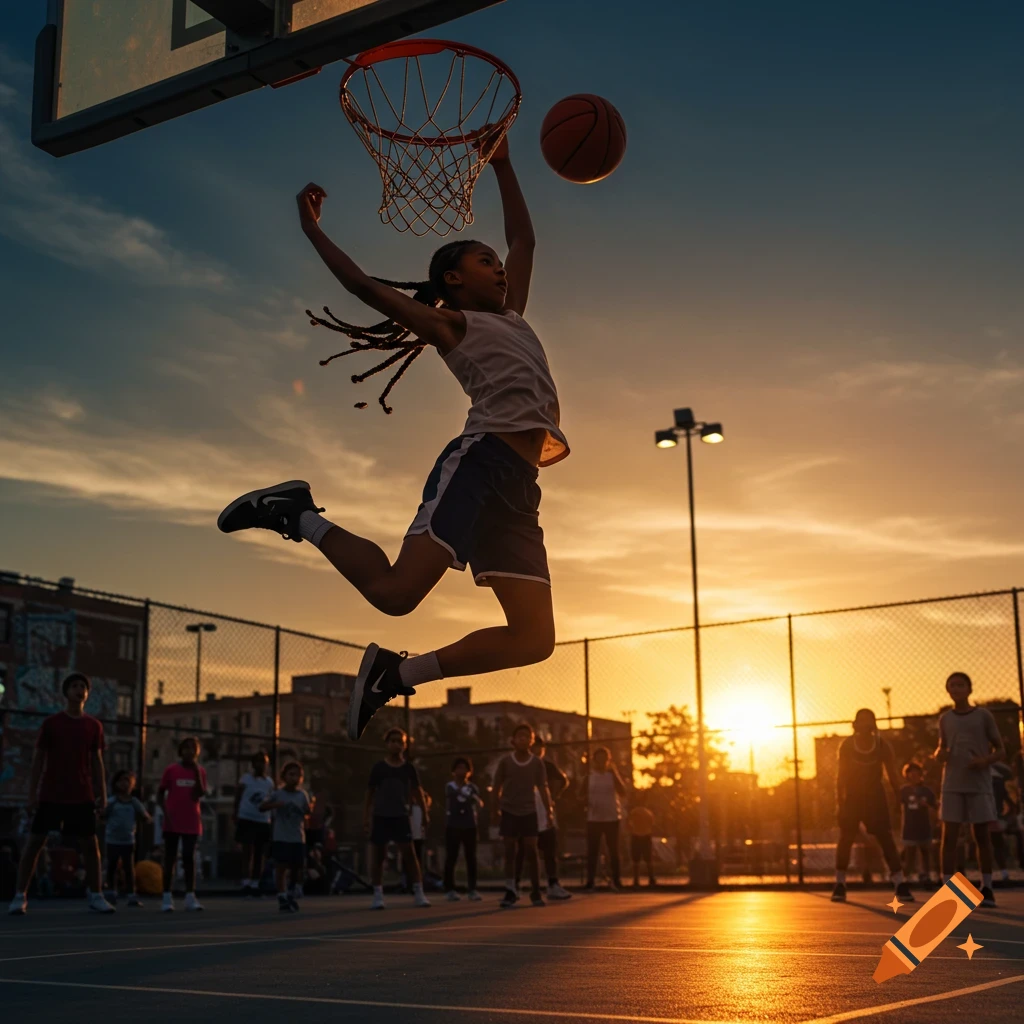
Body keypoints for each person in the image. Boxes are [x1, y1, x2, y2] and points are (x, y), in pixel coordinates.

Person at [217, 134, 566, 745]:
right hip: (479, 466)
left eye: (498, 262)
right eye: (486, 261)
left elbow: (526, 240)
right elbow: (363, 289)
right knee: (396, 594)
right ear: (453, 280)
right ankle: (296, 514)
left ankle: (396, 674)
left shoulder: (513, 317)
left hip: (519, 487)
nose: (502, 267)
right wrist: (311, 231)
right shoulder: (451, 324)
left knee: (534, 640)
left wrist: (504, 164)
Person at [8, 672, 115, 916]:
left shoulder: (93, 726)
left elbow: (97, 762)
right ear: (66, 692)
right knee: (35, 843)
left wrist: (103, 794)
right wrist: (31, 794)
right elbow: (38, 761)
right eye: (75, 686)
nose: (80, 690)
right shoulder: (52, 724)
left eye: (83, 687)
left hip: (82, 794)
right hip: (51, 793)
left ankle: (96, 894)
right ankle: (19, 895)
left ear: (87, 694)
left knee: (90, 844)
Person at [935, 672, 1006, 907]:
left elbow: (1000, 750)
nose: (956, 688)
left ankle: (987, 887)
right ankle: (946, 889)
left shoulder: (983, 716)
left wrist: (984, 761)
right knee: (950, 837)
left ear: (969, 689)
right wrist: (939, 755)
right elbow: (940, 750)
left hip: (978, 784)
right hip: (952, 784)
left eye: (960, 684)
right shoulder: (945, 719)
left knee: (981, 836)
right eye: (951, 685)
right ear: (947, 690)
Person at [831, 709, 912, 904]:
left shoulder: (882, 745)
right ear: (855, 724)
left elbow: (892, 774)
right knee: (846, 838)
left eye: (869, 721)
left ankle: (899, 883)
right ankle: (840, 883)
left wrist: (899, 797)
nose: (865, 724)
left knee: (885, 838)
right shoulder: (848, 745)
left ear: (874, 724)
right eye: (861, 720)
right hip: (853, 796)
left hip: (876, 796)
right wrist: (840, 803)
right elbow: (841, 777)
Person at [365, 728, 430, 909]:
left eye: (400, 742)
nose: (396, 744)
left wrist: (425, 814)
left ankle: (418, 892)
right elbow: (369, 793)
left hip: (401, 816)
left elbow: (418, 792)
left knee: (409, 855)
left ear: (405, 745)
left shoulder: (409, 769)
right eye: (392, 741)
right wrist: (366, 817)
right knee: (379, 856)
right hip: (380, 816)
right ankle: (378, 895)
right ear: (387, 744)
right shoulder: (379, 768)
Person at [493, 723, 552, 908]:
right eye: (520, 736)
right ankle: (511, 890)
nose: (523, 739)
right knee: (510, 851)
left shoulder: (537, 763)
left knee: (532, 851)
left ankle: (536, 891)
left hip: (529, 811)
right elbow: (496, 787)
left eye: (527, 736)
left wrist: (549, 811)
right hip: (509, 810)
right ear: (513, 740)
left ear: (531, 741)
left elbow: (543, 788)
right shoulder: (505, 762)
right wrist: (495, 809)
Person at [514, 737, 572, 900]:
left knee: (550, 851)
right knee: (522, 851)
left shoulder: (547, 766)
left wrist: (553, 797)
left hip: (545, 814)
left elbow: (563, 780)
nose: (538, 750)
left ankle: (553, 885)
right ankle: (515, 885)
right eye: (535, 747)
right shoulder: (520, 766)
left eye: (540, 747)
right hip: (525, 813)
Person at [157, 736, 208, 913]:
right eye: (186, 748)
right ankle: (166, 897)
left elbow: (199, 794)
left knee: (188, 857)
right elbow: (160, 794)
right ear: (180, 751)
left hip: (191, 820)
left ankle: (190, 896)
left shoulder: (200, 771)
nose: (189, 751)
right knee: (170, 858)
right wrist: (166, 812)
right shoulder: (171, 770)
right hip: (172, 820)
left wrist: (196, 773)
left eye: (193, 748)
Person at [260, 761, 313, 913]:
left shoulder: (302, 795)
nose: (294, 778)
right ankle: (282, 895)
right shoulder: (278, 794)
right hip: (281, 837)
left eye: (297, 775)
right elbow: (262, 806)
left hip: (297, 836)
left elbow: (307, 813)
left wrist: (308, 812)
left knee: (297, 867)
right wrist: (276, 805)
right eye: (291, 774)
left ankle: (291, 891)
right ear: (284, 776)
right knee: (281, 867)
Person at [102, 769, 152, 906]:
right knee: (112, 866)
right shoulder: (112, 801)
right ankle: (111, 892)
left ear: (132, 785)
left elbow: (146, 817)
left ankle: (131, 895)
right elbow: (102, 815)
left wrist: (144, 818)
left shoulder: (134, 802)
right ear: (116, 784)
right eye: (121, 780)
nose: (124, 784)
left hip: (128, 840)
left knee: (129, 868)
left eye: (127, 781)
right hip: (112, 840)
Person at [584, 747, 626, 892]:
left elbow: (623, 791)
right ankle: (590, 881)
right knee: (592, 851)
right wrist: (586, 803)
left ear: (608, 760)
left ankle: (617, 880)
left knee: (613, 850)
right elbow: (580, 795)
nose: (601, 761)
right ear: (594, 760)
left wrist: (615, 774)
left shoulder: (611, 776)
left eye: (604, 758)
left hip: (612, 817)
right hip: (594, 818)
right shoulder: (589, 777)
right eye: (598, 758)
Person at [233, 750, 274, 897]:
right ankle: (246, 883)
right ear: (253, 764)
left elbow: (270, 800)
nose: (261, 765)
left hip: (262, 821)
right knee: (247, 852)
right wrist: (235, 813)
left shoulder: (269, 782)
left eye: (263, 762)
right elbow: (238, 797)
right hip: (246, 818)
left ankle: (256, 883)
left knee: (259, 853)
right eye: (258, 761)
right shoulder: (246, 779)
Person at [443, 756, 484, 901]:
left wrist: (477, 803)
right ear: (454, 771)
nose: (462, 771)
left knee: (470, 857)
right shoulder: (450, 786)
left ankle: (472, 889)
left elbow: (478, 803)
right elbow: (452, 797)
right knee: (451, 857)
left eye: (465, 768)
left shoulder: (473, 788)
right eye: (459, 768)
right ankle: (449, 889)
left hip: (469, 825)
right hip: (453, 825)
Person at [899, 762, 936, 887]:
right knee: (910, 853)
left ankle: (925, 874)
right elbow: (897, 807)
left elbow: (935, 807)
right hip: (909, 826)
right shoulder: (904, 790)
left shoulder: (927, 791)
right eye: (911, 773)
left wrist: (927, 806)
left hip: (924, 825)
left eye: (916, 773)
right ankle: (906, 876)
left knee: (925, 851)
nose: (914, 775)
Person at [628, 793, 657, 888]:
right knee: (649, 859)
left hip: (636, 836)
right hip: (646, 836)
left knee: (636, 860)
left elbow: (629, 823)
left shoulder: (633, 812)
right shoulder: (648, 812)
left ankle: (636, 880)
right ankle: (651, 879)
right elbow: (652, 824)